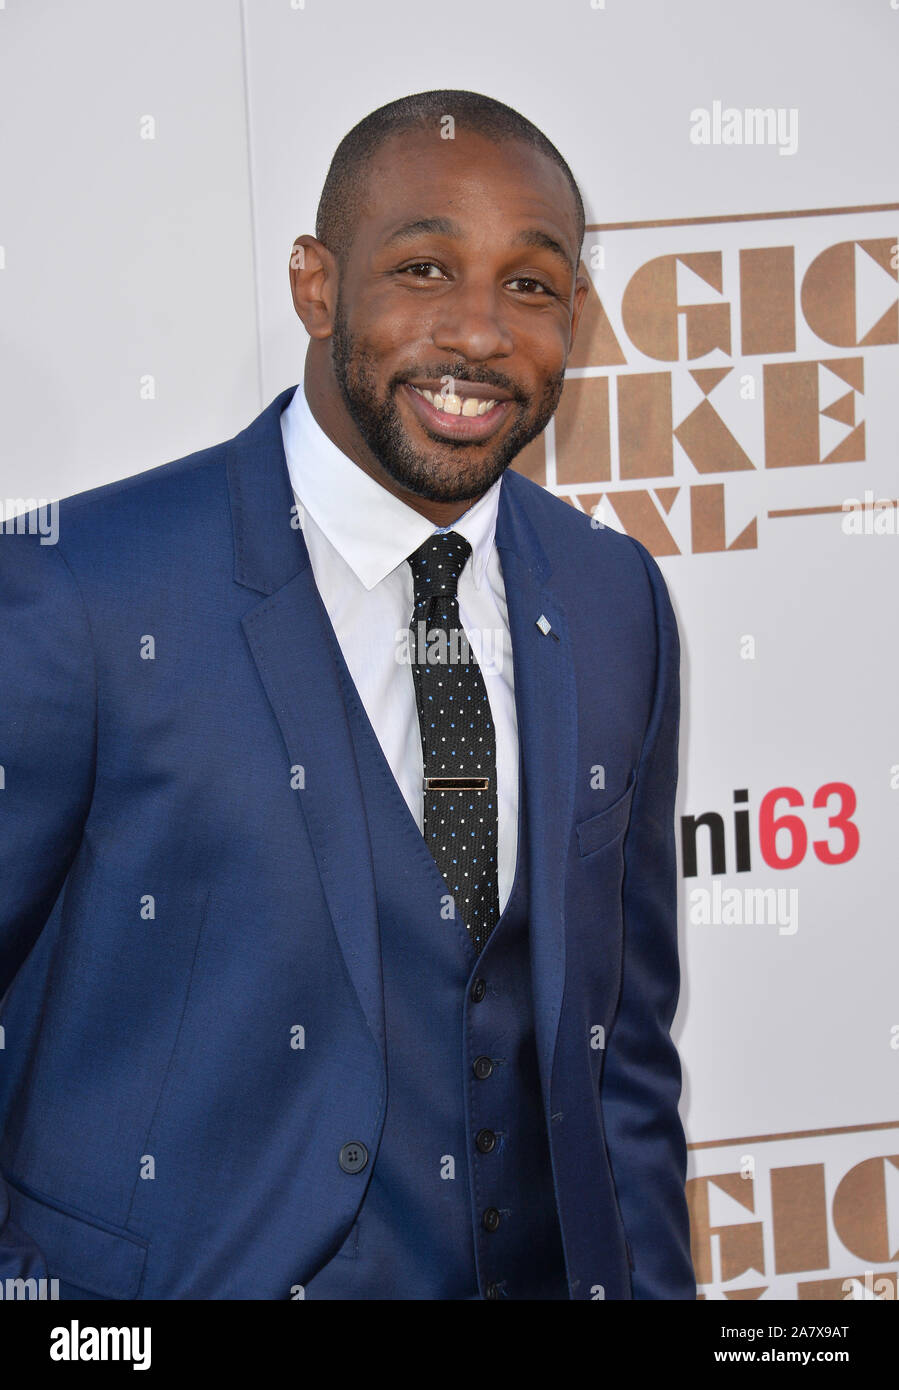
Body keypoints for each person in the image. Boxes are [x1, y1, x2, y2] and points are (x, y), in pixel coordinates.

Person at [0, 89, 695, 1300]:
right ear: (316, 285)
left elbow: (618, 1060)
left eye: (529, 286)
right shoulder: (79, 594)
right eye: (424, 268)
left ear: (576, 316)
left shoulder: (610, 596)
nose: (479, 334)